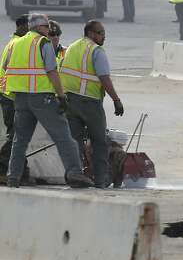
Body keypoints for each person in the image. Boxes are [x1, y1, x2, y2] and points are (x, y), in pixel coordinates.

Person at [3, 13, 92, 188]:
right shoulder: (43, 43)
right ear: (39, 27)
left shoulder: (15, 44)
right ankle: (74, 173)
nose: (49, 31)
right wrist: (61, 95)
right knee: (63, 136)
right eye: (47, 27)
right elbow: (52, 71)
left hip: (20, 99)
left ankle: (13, 177)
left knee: (19, 140)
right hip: (42, 98)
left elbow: (6, 66)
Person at [59, 20, 125, 189]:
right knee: (99, 141)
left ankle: (76, 174)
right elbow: (104, 78)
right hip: (89, 102)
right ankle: (100, 179)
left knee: (75, 141)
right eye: (100, 32)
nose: (104, 36)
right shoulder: (96, 51)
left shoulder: (72, 47)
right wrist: (116, 100)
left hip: (70, 101)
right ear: (90, 33)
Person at [0, 15, 28, 183]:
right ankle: (3, 166)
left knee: (20, 135)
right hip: (11, 96)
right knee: (16, 135)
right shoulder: (17, 44)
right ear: (23, 27)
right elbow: (7, 68)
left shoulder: (14, 42)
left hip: (9, 94)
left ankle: (21, 171)